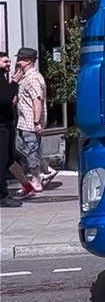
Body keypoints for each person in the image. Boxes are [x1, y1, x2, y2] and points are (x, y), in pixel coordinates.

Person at [11, 47, 45, 199]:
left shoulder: (33, 78)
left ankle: (37, 179)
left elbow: (37, 99)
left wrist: (37, 122)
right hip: (23, 122)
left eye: (21, 59)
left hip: (30, 123)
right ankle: (43, 167)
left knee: (31, 151)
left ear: (29, 61)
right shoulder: (26, 77)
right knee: (20, 149)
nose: (18, 62)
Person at [0, 52, 19, 207]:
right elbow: (4, 98)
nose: (8, 64)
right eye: (5, 61)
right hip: (1, 127)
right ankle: (2, 195)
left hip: (6, 125)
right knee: (2, 159)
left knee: (7, 158)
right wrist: (14, 83)